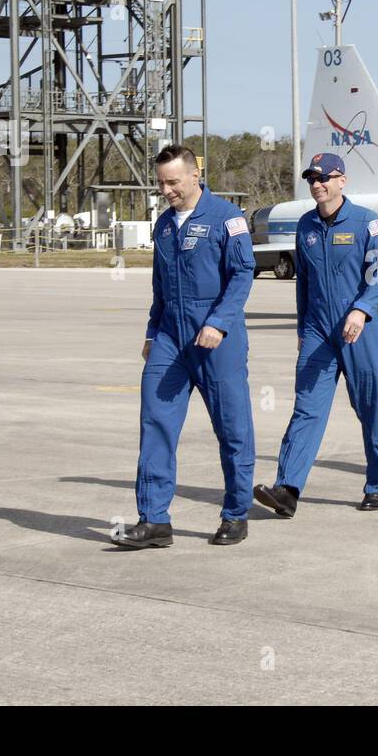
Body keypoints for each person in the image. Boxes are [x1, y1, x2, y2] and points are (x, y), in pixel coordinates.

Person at [115, 145, 256, 548]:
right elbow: (160, 287)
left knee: (232, 428)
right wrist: (151, 332)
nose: (167, 190)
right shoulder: (163, 225)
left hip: (216, 339)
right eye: (161, 183)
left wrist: (219, 323)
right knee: (155, 421)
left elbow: (242, 275)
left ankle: (235, 514)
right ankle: (154, 519)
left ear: (196, 175)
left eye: (173, 181)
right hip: (170, 338)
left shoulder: (227, 218)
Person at [254, 153, 378, 517]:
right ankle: (287, 489)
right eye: (312, 179)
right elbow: (304, 284)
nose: (318, 184)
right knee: (307, 409)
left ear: (342, 180)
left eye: (324, 178)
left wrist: (363, 309)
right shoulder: (306, 226)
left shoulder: (368, 223)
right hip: (318, 331)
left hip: (358, 330)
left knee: (370, 407)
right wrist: (302, 328)